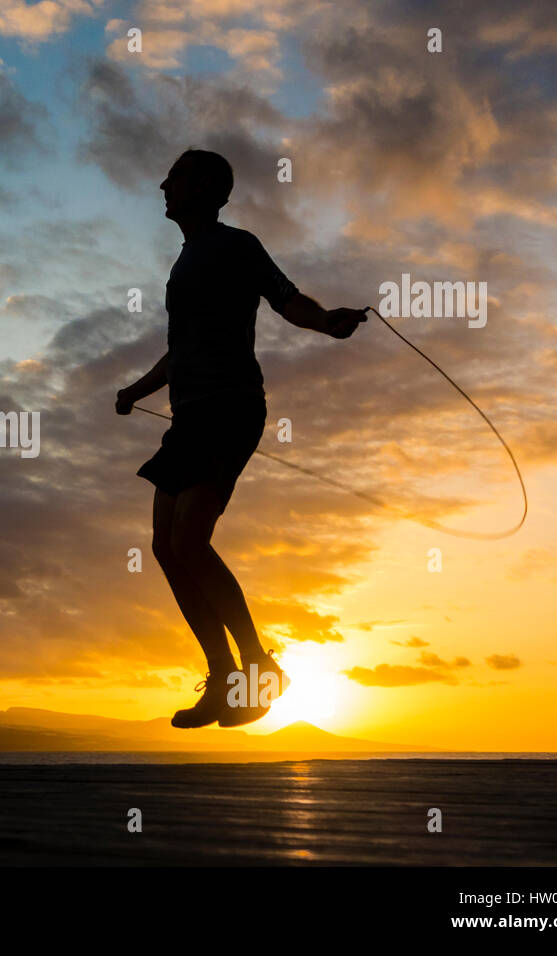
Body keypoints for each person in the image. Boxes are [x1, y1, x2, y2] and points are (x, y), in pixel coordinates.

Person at [115, 149, 367, 728]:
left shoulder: (238, 246)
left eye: (172, 176)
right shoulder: (182, 264)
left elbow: (286, 298)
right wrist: (136, 390)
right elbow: (180, 351)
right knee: (165, 547)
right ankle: (227, 676)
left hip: (230, 410)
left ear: (203, 186)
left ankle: (256, 667)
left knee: (191, 541)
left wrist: (327, 321)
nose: (161, 184)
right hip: (188, 418)